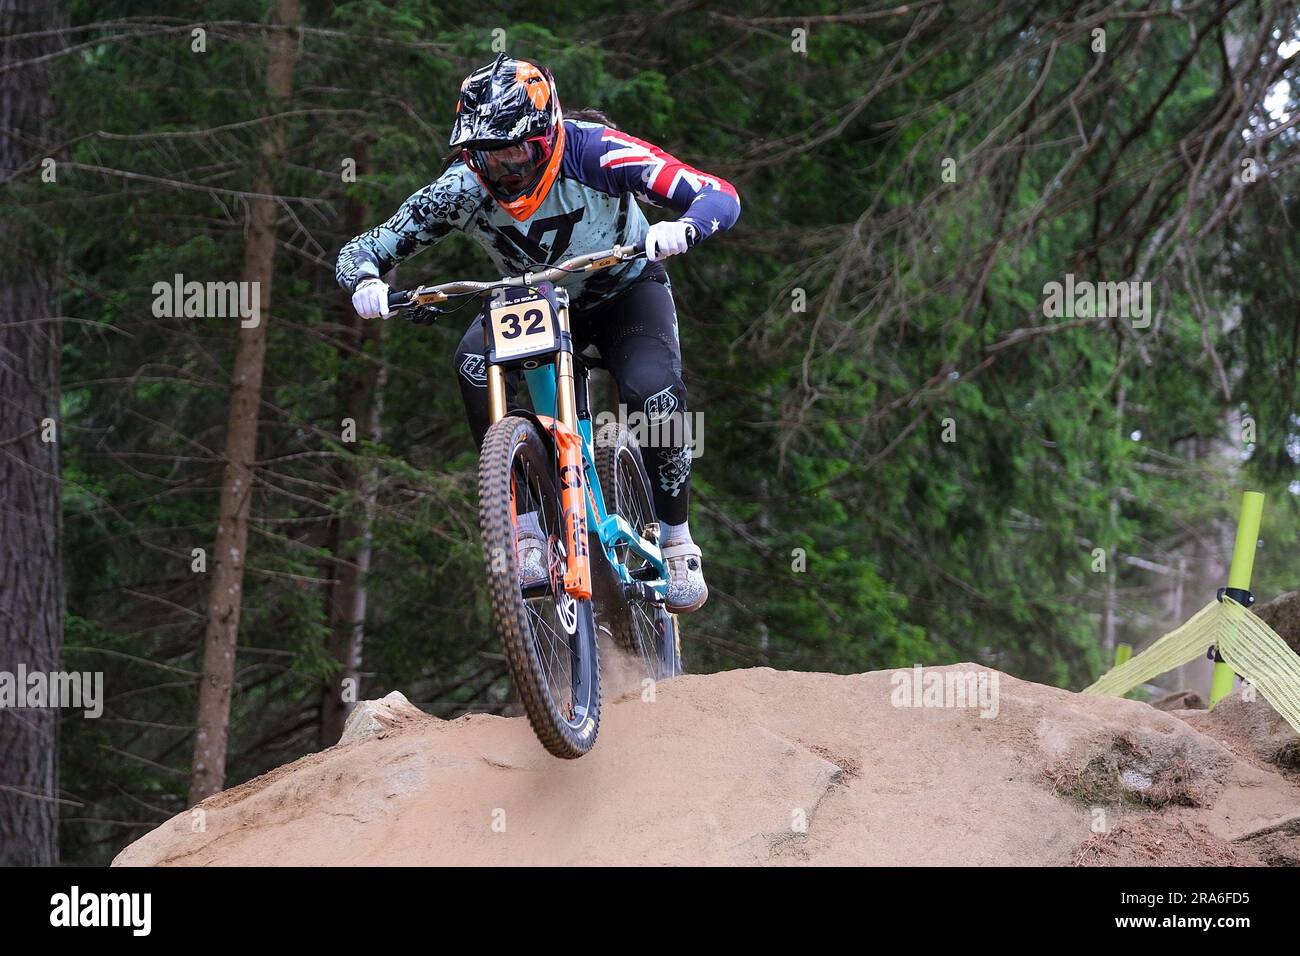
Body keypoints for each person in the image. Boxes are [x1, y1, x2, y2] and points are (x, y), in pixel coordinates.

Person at [335, 53, 740, 613]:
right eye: (488, 155)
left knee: (653, 392)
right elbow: (364, 248)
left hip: (623, 290)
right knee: (474, 364)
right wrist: (364, 281)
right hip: (534, 300)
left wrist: (686, 225)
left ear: (547, 136)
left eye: (515, 149)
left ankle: (676, 539)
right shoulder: (460, 188)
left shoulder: (596, 150)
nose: (504, 167)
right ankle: (523, 526)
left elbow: (718, 193)